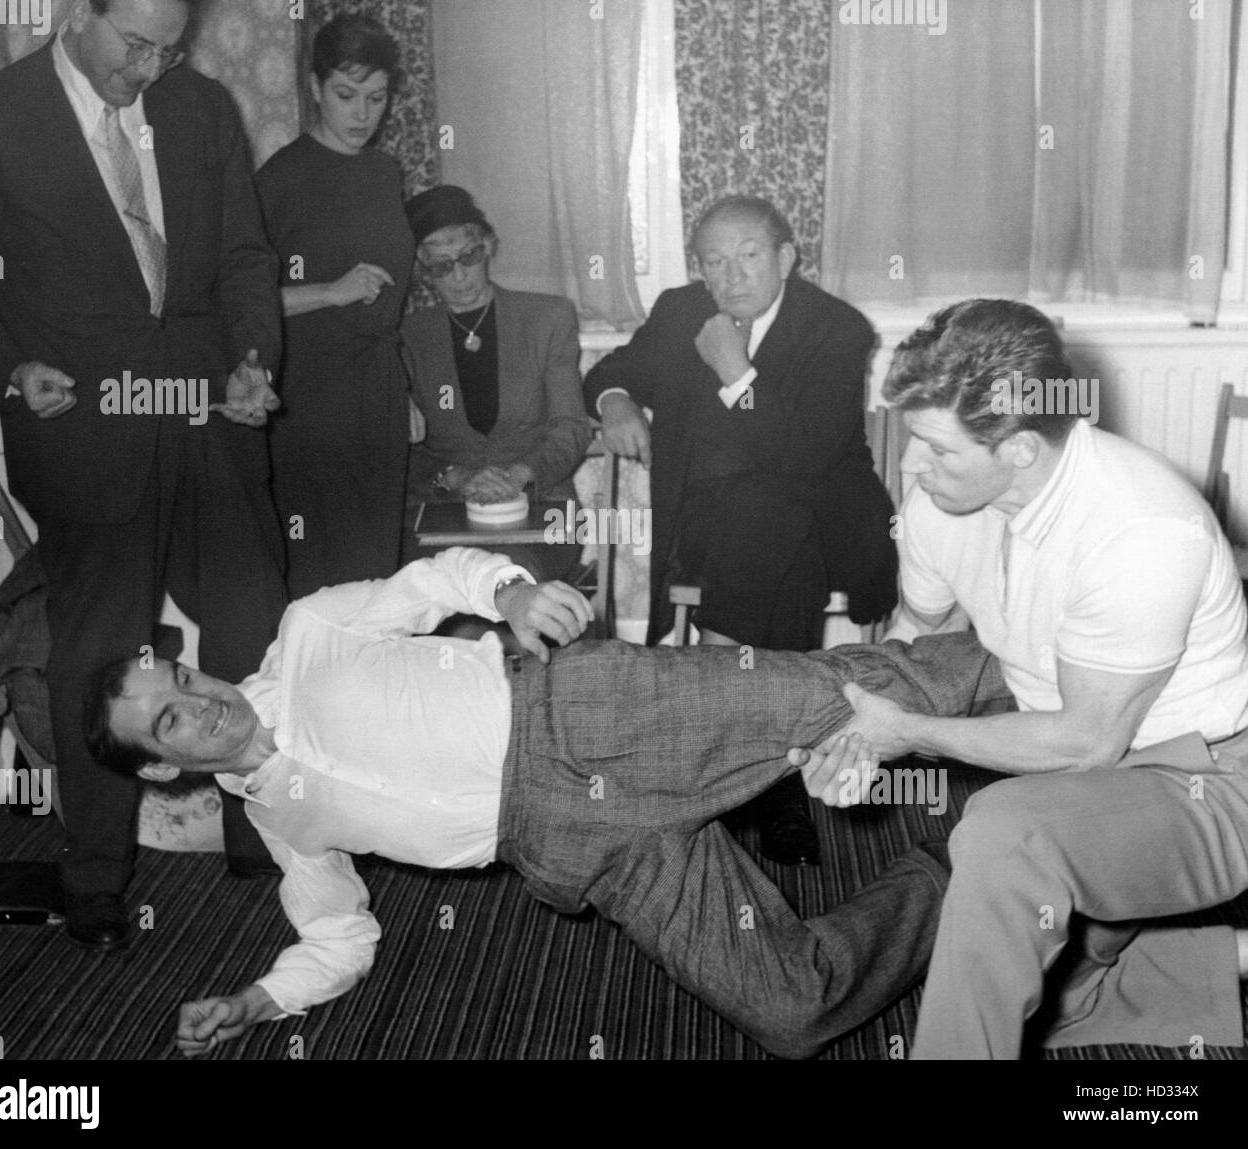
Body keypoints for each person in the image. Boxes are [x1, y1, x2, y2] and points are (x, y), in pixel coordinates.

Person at [85, 546, 1019, 1059]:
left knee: (850, 692)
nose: (202, 698)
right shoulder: (278, 825)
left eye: (181, 671)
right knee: (788, 1007)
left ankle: (1084, 690)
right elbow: (339, 938)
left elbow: (435, 578)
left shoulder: (309, 630)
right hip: (570, 849)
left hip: (583, 715)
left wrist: (511, 588)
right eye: (171, 719)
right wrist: (257, 999)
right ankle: (958, 879)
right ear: (162, 770)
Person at [793, 298, 1248, 1057]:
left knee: (1003, 837)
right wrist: (858, 742)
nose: (910, 466)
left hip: (1211, 781)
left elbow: (1087, 743)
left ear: (1021, 451)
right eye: (913, 441)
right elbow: (914, 642)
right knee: (1046, 995)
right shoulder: (940, 501)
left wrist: (906, 734)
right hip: (1102, 777)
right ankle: (1222, 961)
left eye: (937, 449)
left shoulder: (1141, 530)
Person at [0, 0, 288, 950]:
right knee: (96, 654)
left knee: (253, 619)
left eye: (167, 48)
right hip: (86, 428)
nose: (149, 67)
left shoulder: (203, 108)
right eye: (133, 43)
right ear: (73, 13)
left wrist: (255, 355)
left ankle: (259, 831)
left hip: (211, 413)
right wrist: (8, 369)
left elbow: (247, 258)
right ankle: (93, 874)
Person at [581, 193, 898, 863]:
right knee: (756, 517)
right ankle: (773, 775)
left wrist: (736, 369)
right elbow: (613, 371)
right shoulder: (678, 311)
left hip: (819, 515)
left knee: (772, 507)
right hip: (706, 527)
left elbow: (807, 453)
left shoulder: (836, 329)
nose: (732, 276)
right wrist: (615, 404)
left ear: (786, 257)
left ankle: (724, 746)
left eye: (750, 256)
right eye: (714, 262)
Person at [255, 14, 415, 600]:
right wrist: (328, 291)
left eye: (376, 98)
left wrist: (404, 388)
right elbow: (233, 302)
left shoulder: (384, 171)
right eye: (346, 96)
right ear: (316, 87)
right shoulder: (282, 179)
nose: (362, 114)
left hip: (376, 394)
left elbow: (389, 304)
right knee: (323, 577)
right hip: (309, 402)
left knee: (378, 571)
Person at [402, 185, 590, 582]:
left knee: (508, 577)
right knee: (426, 588)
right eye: (440, 266)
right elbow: (401, 450)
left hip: (540, 507)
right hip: (443, 512)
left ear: (487, 246)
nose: (458, 275)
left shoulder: (547, 318)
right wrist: (457, 477)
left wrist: (520, 474)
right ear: (421, 270)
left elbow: (570, 427)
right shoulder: (406, 338)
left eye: (468, 256)